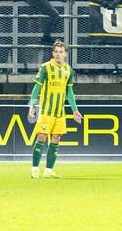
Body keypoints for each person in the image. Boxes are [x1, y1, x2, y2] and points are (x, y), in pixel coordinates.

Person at [28, 40, 82, 178]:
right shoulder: (45, 67)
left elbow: (69, 92)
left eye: (61, 52)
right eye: (56, 52)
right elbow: (37, 87)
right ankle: (34, 169)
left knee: (56, 138)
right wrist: (32, 105)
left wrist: (75, 110)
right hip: (46, 110)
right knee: (42, 137)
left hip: (60, 112)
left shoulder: (68, 70)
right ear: (52, 53)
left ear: (65, 54)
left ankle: (48, 170)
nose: (58, 54)